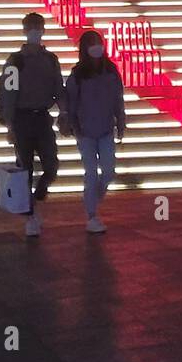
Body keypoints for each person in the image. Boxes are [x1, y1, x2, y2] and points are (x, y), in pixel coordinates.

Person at [0, 12, 64, 237]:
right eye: (31, 27)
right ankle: (30, 215)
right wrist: (10, 125)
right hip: (22, 118)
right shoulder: (16, 60)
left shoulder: (50, 60)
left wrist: (65, 111)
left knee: (51, 165)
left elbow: (58, 88)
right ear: (25, 31)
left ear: (43, 30)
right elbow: (9, 93)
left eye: (38, 27)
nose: (35, 31)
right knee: (25, 168)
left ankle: (38, 194)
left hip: (42, 117)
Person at [60, 29, 126, 235]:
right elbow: (71, 101)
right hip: (85, 131)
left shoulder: (111, 70)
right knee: (90, 172)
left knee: (108, 171)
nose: (97, 47)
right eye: (92, 43)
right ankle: (91, 215)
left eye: (99, 42)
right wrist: (72, 123)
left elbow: (118, 98)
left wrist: (121, 120)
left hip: (106, 128)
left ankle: (93, 198)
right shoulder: (78, 74)